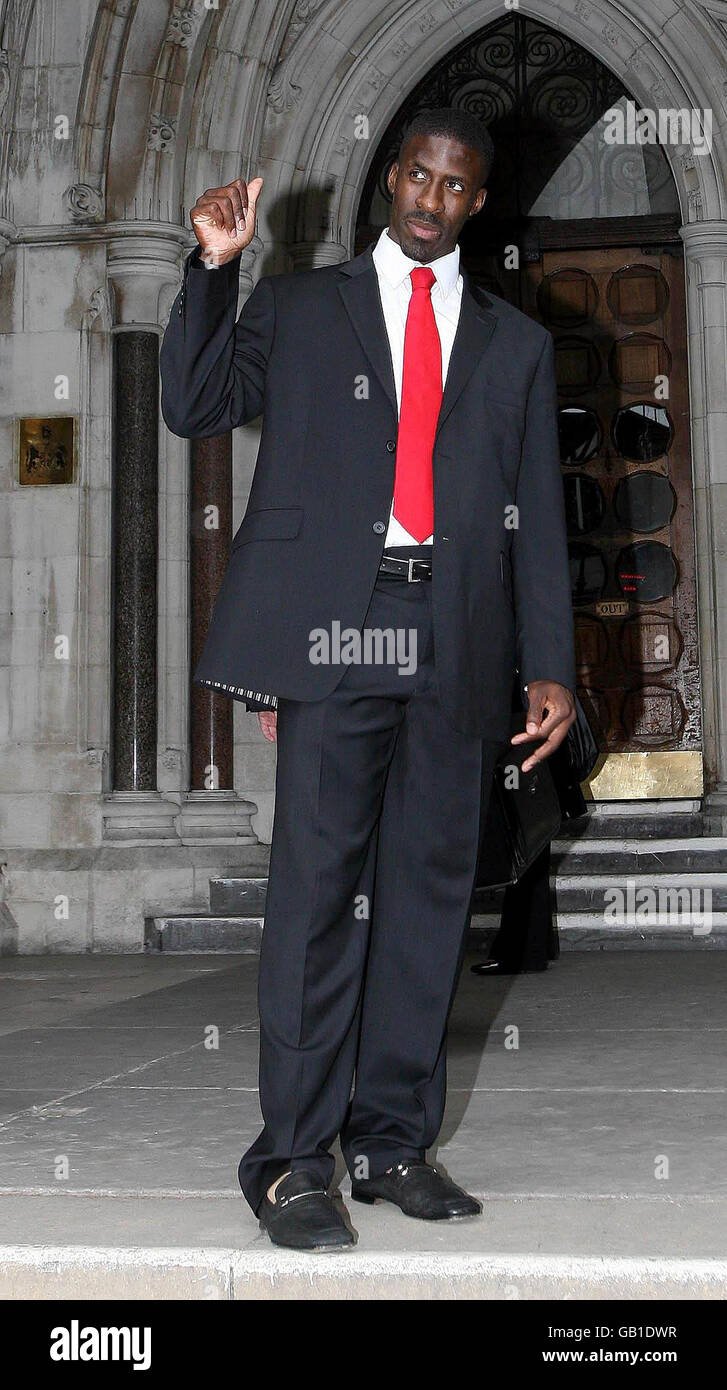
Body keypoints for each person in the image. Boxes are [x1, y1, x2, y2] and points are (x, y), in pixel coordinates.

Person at [160, 107, 576, 1251]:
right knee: (316, 893)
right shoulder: (300, 308)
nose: (432, 199)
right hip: (340, 628)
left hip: (457, 633)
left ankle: (391, 1139)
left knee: (433, 898)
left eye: (456, 186)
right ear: (391, 178)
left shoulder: (515, 346)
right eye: (418, 177)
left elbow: (537, 518)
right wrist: (213, 270)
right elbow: (194, 404)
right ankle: (291, 1158)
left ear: (475, 201)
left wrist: (550, 667)